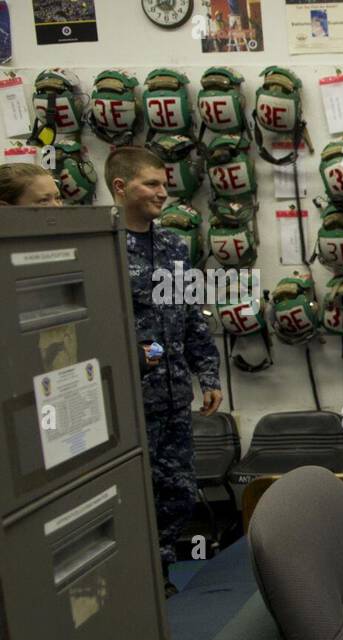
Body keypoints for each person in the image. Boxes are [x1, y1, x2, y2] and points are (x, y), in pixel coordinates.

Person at [109, 147, 223, 596]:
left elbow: (190, 314)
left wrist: (208, 375)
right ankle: (142, 584)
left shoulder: (174, 244)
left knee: (176, 493)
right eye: (151, 184)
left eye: (164, 183)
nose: (163, 192)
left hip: (174, 397)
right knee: (131, 496)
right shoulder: (104, 246)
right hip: (130, 399)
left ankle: (158, 574)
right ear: (121, 188)